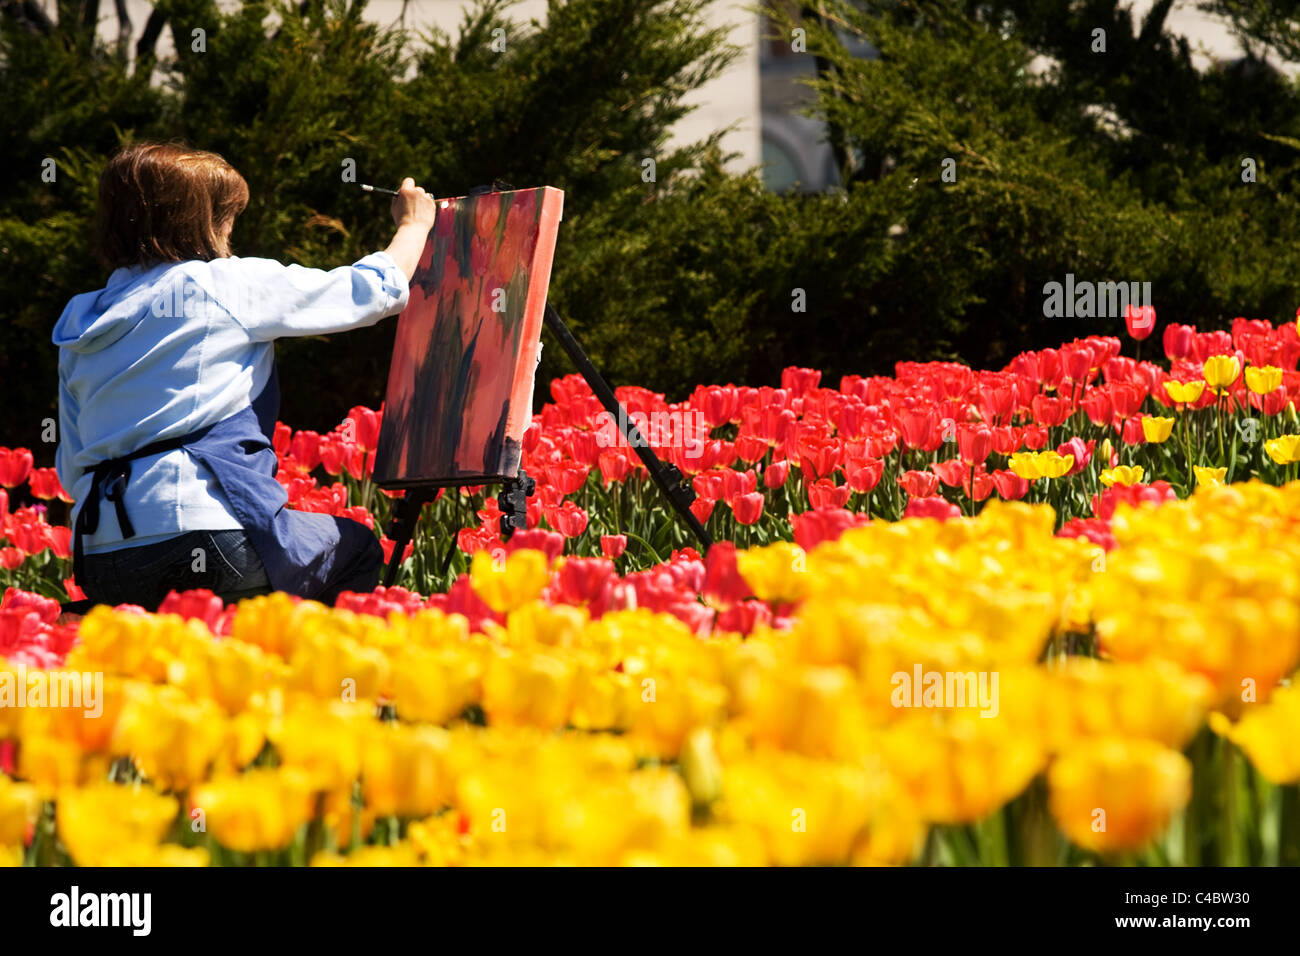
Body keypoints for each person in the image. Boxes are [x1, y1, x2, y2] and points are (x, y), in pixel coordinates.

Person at [53, 141, 437, 611]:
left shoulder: (80, 322)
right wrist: (414, 225)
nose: (231, 234)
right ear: (199, 221)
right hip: (205, 534)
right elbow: (374, 291)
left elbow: (72, 468)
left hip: (100, 557)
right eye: (228, 217)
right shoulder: (222, 283)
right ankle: (316, 681)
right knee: (354, 547)